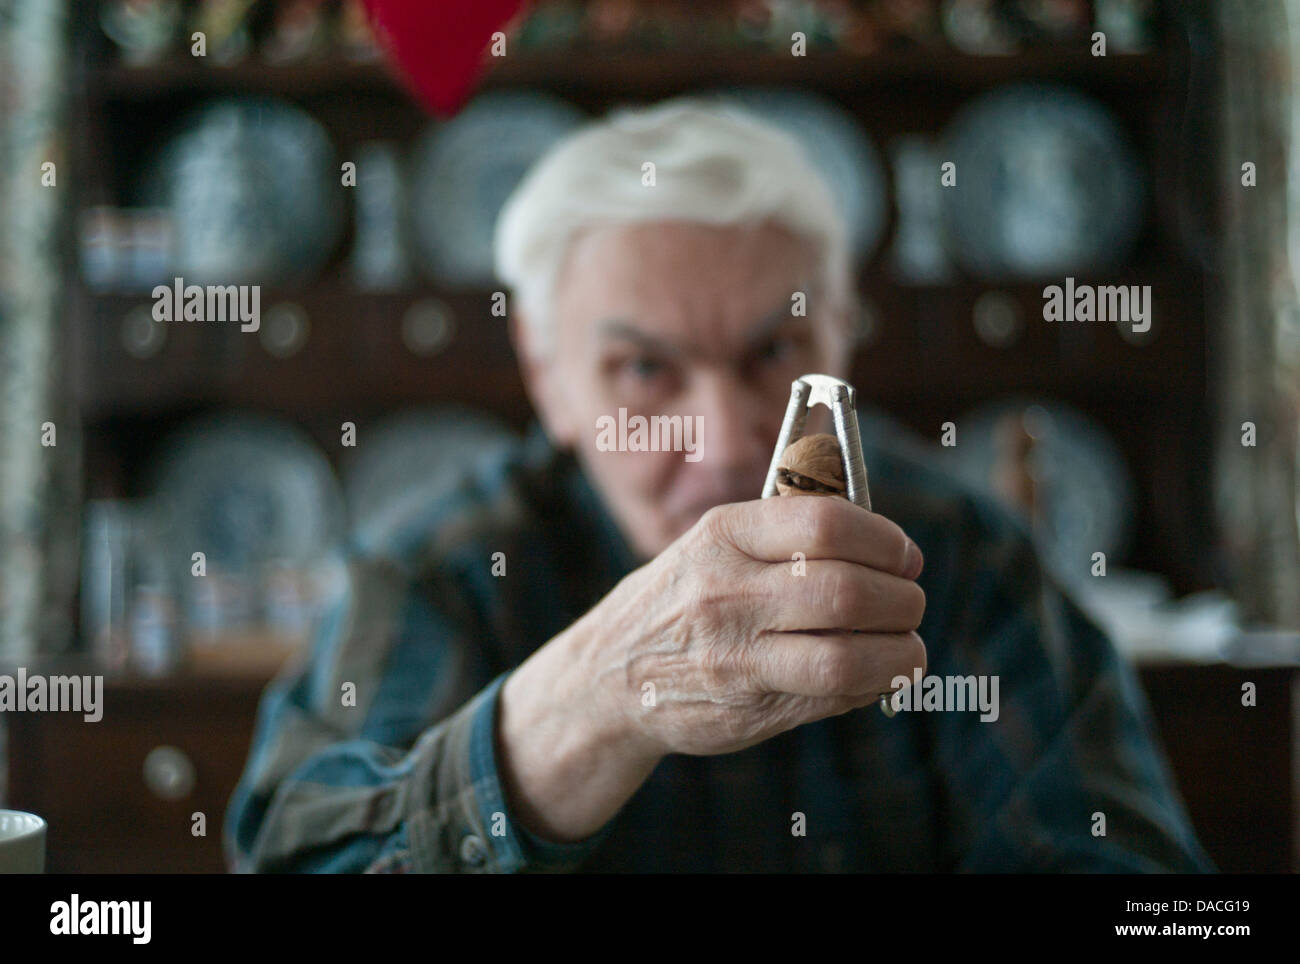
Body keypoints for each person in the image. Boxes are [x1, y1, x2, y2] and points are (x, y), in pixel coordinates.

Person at [224, 98, 1214, 872]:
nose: (728, 439)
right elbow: (299, 858)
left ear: (840, 334)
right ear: (546, 375)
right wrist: (591, 707)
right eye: (644, 370)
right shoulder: (439, 571)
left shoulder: (964, 555)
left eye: (776, 350)